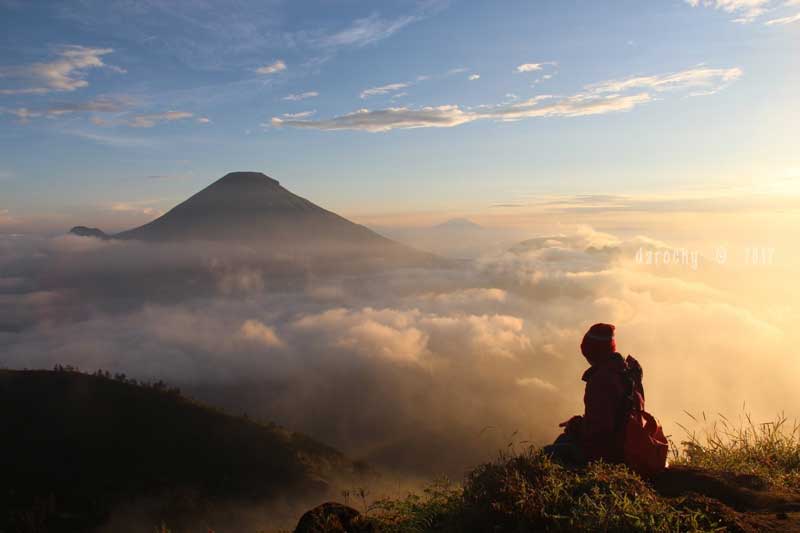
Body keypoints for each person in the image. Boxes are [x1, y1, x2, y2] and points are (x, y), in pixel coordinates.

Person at [544, 323, 644, 466]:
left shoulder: (601, 380)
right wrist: (581, 422)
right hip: (628, 446)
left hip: (609, 455)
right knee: (564, 440)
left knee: (547, 453)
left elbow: (601, 431)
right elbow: (615, 415)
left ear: (593, 353)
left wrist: (576, 426)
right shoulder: (627, 373)